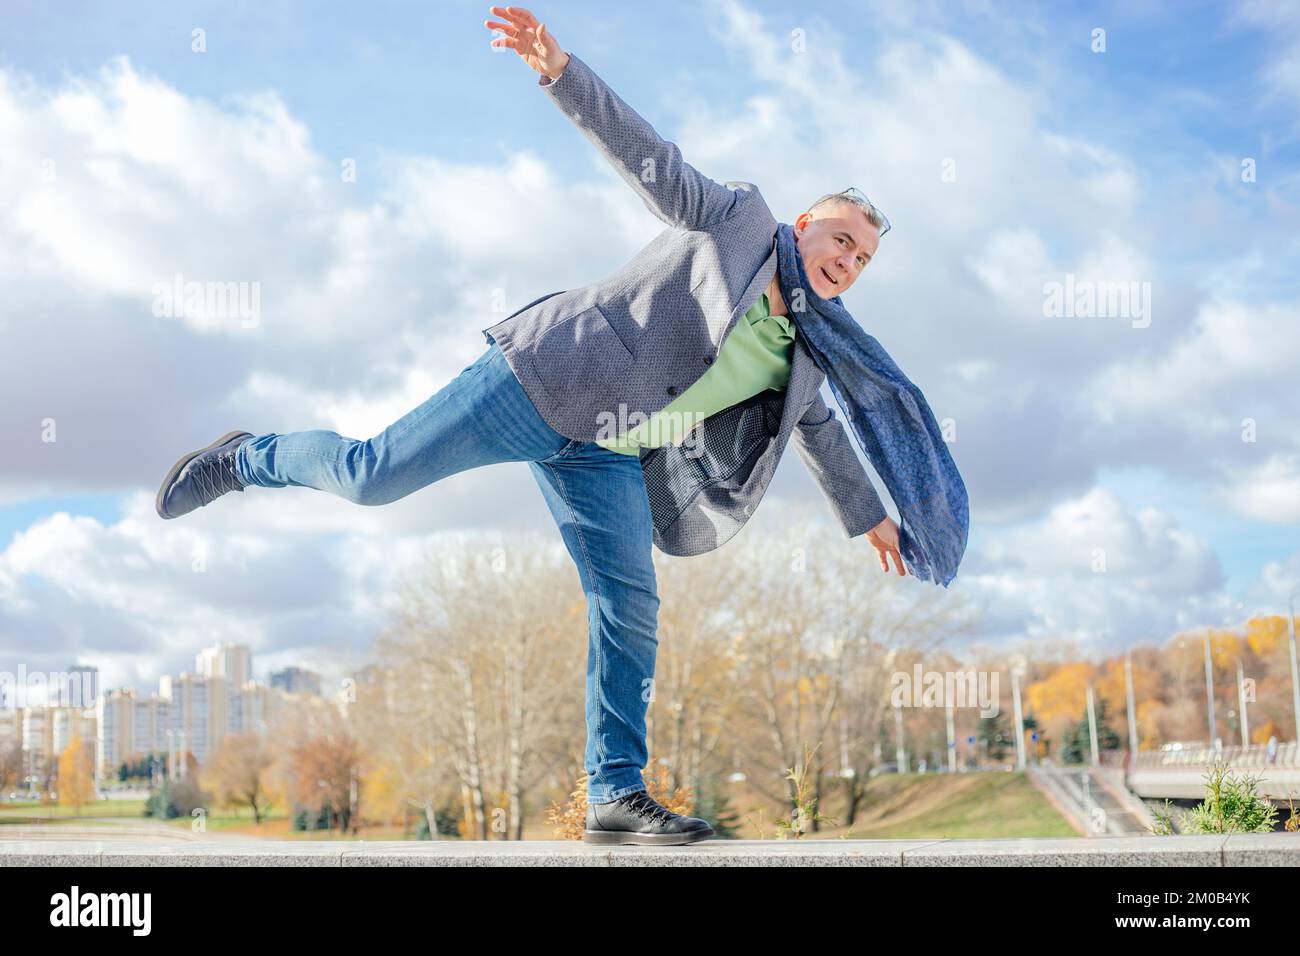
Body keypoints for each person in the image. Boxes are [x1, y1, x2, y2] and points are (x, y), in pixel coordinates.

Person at [154, 5, 904, 846]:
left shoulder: (810, 343)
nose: (848, 260)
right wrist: (559, 70)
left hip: (610, 456)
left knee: (628, 606)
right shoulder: (738, 224)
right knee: (370, 476)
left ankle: (615, 794)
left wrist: (868, 514)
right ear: (805, 225)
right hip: (541, 376)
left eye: (862, 260)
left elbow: (823, 431)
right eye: (841, 238)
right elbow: (655, 162)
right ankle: (246, 459)